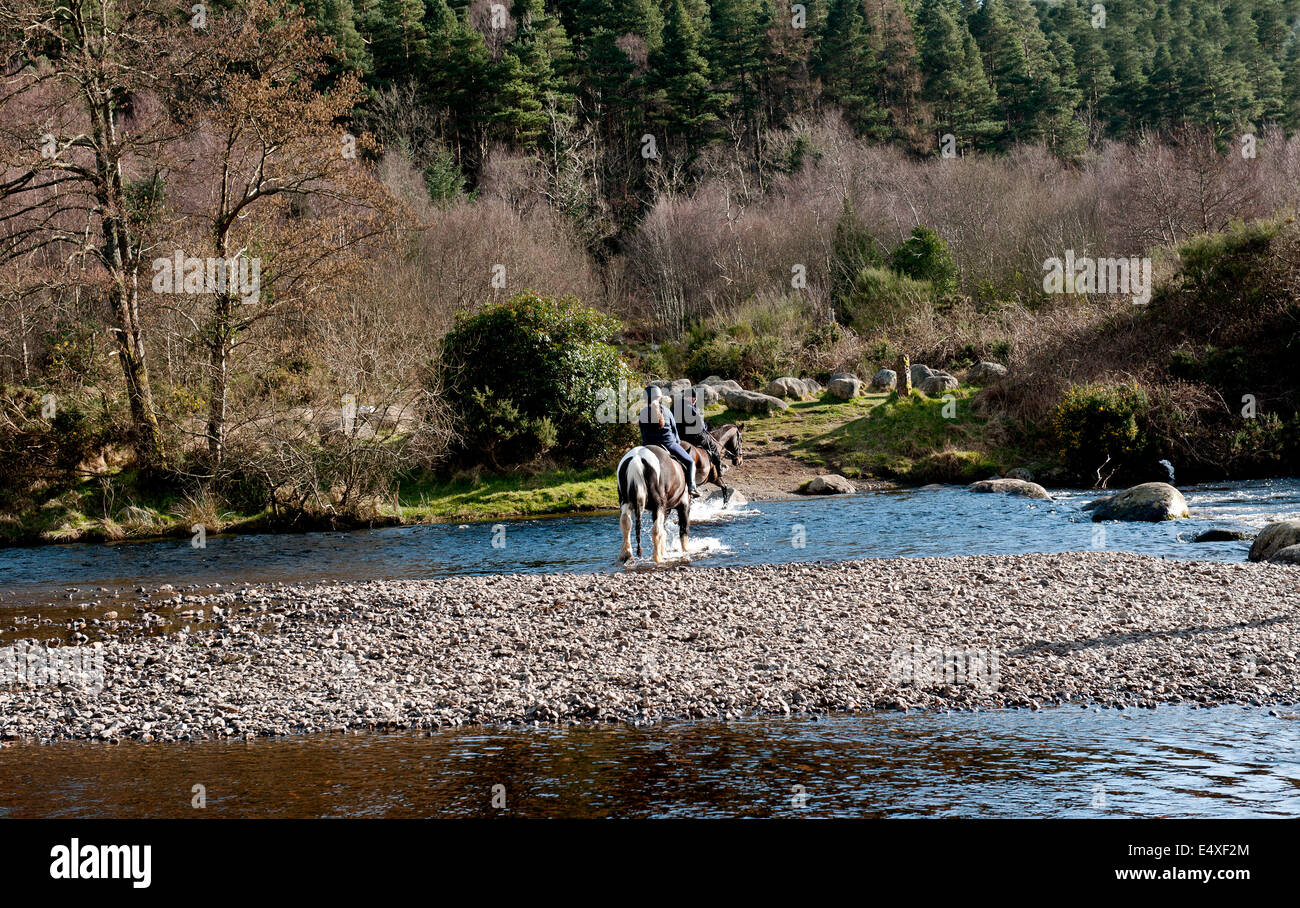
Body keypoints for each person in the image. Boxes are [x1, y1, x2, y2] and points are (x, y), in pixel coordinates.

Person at [637, 385, 699, 498]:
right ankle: (692, 487)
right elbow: (674, 431)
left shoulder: (642, 413)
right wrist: (677, 443)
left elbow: (643, 433)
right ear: (659, 398)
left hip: (647, 446)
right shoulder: (666, 411)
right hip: (668, 444)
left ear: (646, 399)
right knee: (690, 462)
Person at [678, 386, 724, 479]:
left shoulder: (676, 406)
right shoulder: (690, 408)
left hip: (680, 436)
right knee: (714, 447)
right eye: (693, 397)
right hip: (694, 437)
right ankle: (719, 471)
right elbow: (700, 426)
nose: (695, 400)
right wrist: (705, 427)